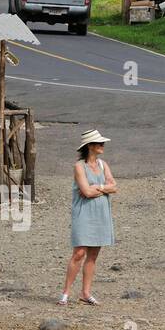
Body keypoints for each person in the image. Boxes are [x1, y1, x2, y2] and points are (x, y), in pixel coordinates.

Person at [60, 128, 118, 306]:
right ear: (89, 146)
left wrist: (97, 188)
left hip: (101, 213)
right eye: (99, 143)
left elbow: (114, 186)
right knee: (79, 253)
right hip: (84, 213)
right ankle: (66, 293)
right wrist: (103, 187)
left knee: (93, 254)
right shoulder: (79, 166)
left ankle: (86, 293)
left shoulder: (103, 164)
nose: (102, 146)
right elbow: (85, 192)